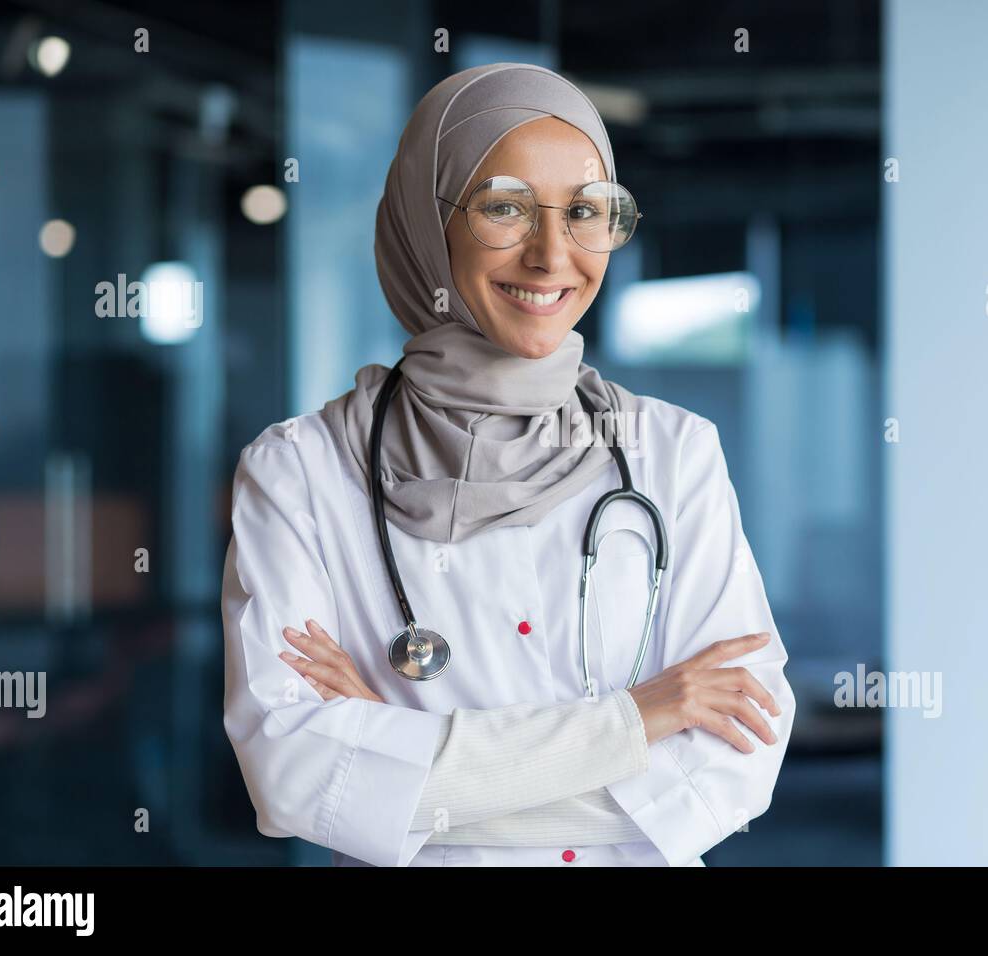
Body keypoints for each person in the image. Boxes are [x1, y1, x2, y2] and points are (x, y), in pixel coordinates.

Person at [222, 62, 796, 867]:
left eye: (587, 212)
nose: (552, 254)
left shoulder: (671, 452)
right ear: (429, 223)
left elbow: (734, 765)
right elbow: (294, 776)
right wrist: (636, 723)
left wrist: (404, 759)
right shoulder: (301, 473)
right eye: (503, 207)